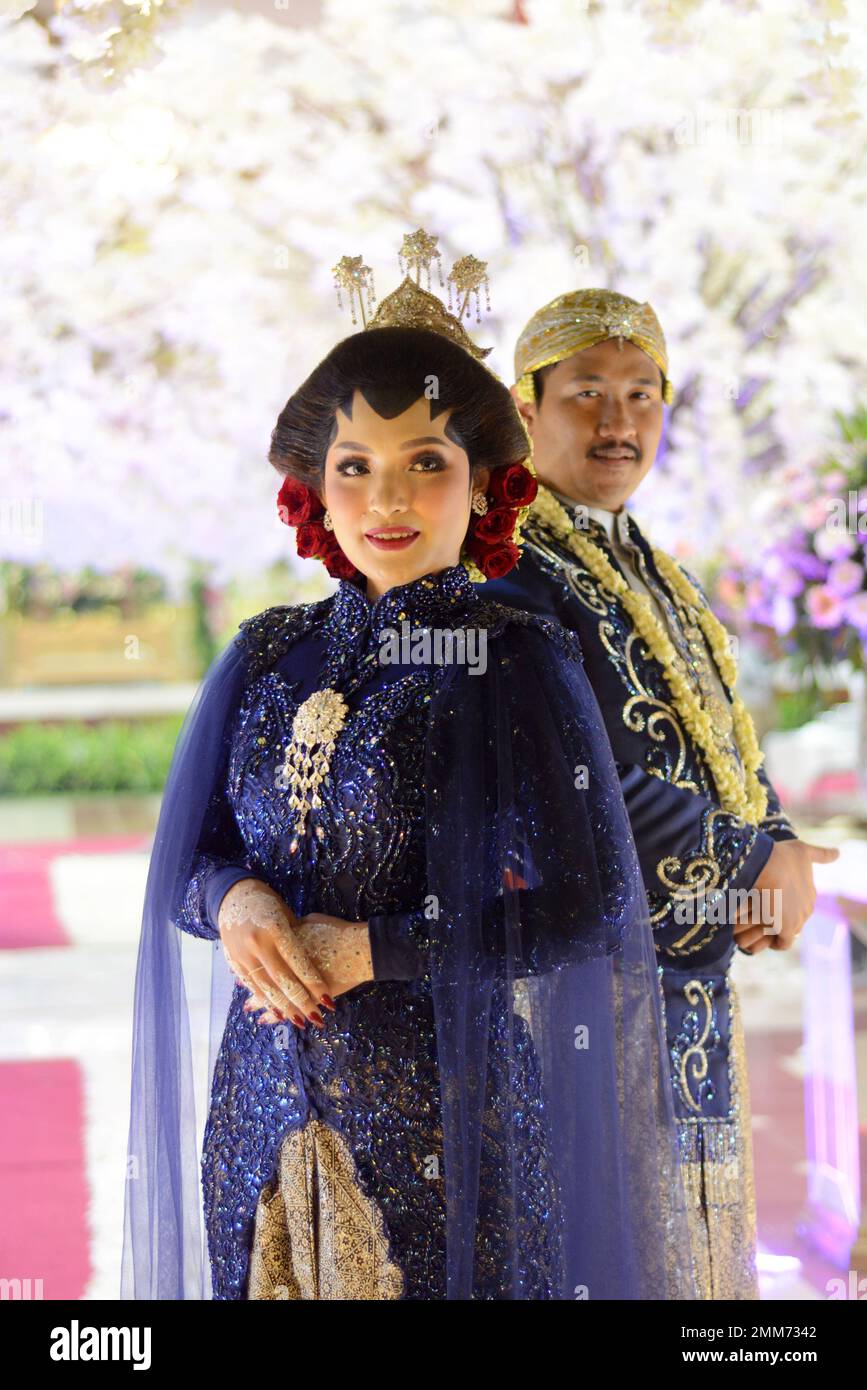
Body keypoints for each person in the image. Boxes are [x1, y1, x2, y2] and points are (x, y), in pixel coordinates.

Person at [121, 241, 698, 1301]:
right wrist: (237, 898)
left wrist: (375, 949)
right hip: (257, 1118)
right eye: (357, 465)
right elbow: (186, 868)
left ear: (484, 481)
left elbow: (589, 907)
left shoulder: (515, 656)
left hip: (447, 1126)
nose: (390, 495)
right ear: (317, 492)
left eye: (426, 460)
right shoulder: (263, 652)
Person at [481, 286, 840, 1299]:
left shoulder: (649, 563)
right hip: (581, 983)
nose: (617, 420)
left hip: (683, 986)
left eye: (643, 394)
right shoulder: (507, 569)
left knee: (694, 1259)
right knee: (608, 1252)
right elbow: (571, 771)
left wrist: (775, 841)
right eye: (586, 393)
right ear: (525, 409)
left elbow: (719, 741)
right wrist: (748, 866)